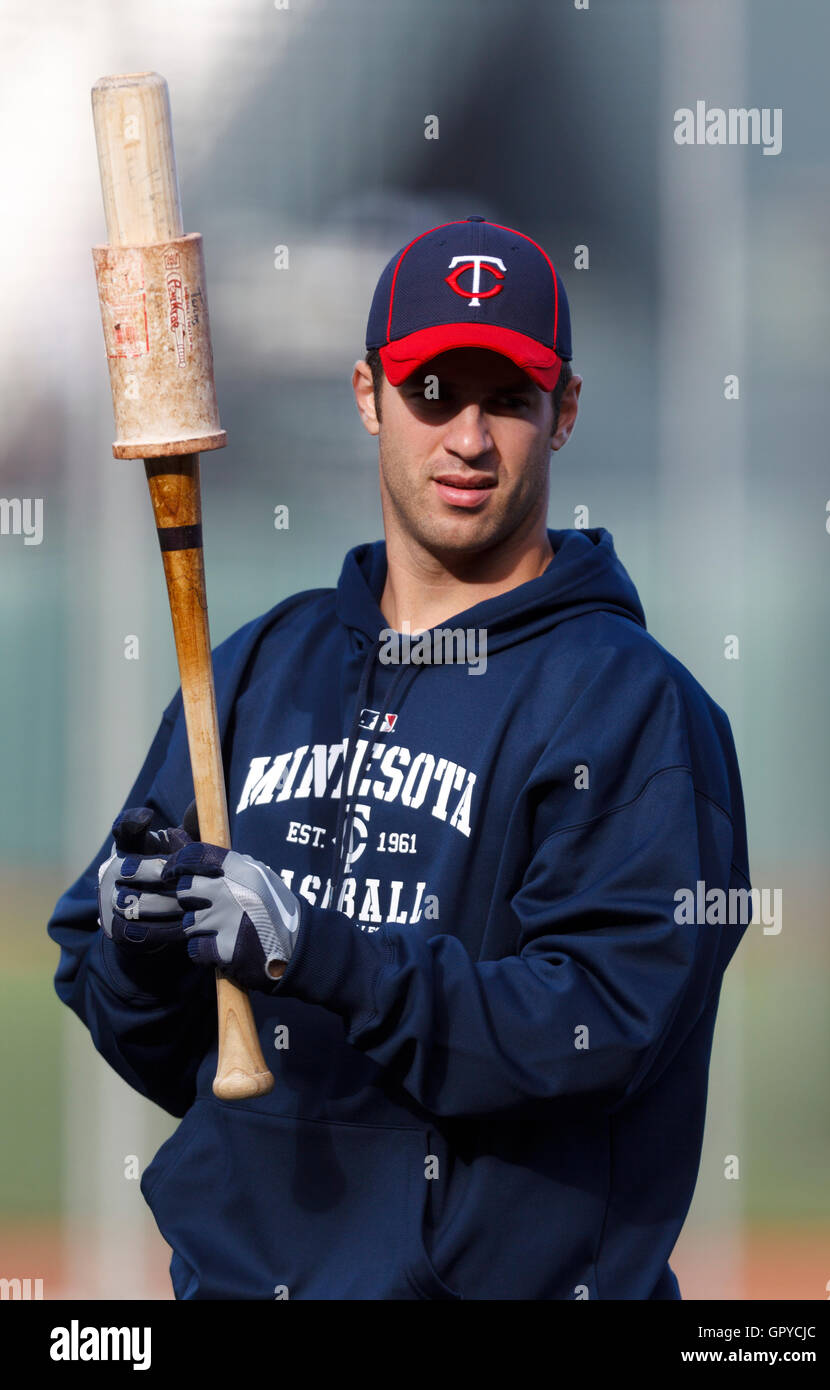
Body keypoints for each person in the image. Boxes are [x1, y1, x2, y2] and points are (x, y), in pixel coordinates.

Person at [48, 215, 751, 1301]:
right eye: (432, 393)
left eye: (506, 398)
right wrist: (142, 954)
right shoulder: (254, 672)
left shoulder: (629, 707)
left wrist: (318, 952)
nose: (467, 439)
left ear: (559, 412)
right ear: (369, 395)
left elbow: (593, 1029)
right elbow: (169, 1050)